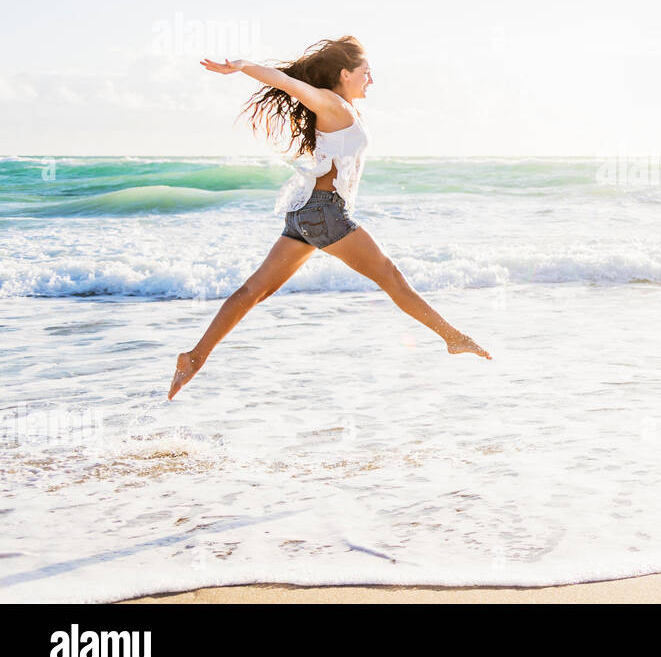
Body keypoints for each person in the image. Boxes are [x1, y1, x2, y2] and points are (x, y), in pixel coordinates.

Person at [168, 35, 490, 401]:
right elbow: (287, 83)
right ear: (345, 74)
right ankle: (452, 338)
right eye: (366, 73)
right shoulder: (334, 105)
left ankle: (195, 356)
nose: (371, 80)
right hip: (326, 212)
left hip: (305, 214)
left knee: (254, 291)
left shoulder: (342, 110)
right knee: (392, 278)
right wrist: (241, 66)